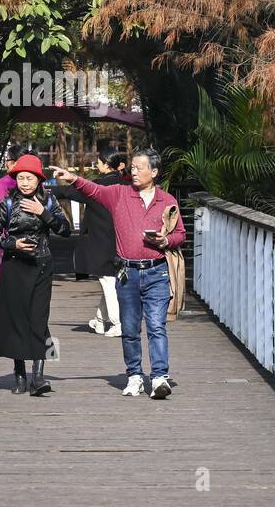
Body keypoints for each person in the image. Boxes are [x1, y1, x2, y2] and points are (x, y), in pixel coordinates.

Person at [50, 149, 185, 400]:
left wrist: (166, 240)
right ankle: (134, 375)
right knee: (131, 328)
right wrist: (72, 178)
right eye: (132, 167)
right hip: (127, 272)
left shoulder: (167, 201)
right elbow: (93, 190)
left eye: (139, 167)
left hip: (157, 271)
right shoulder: (119, 194)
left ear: (153, 172)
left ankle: (158, 377)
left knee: (157, 326)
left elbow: (180, 234)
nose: (133, 171)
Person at [0, 153, 71, 396]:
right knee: (17, 320)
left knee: (39, 319)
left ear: (38, 180)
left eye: (29, 178)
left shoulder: (49, 200)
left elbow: (65, 230)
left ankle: (39, 376)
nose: (24, 183)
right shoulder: (8, 203)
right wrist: (12, 244)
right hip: (14, 267)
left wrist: (43, 212)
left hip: (42, 266)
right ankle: (20, 373)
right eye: (20, 178)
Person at [54, 150, 127, 337]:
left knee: (108, 281)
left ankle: (117, 324)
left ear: (105, 165)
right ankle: (100, 321)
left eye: (99, 162)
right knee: (108, 280)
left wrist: (44, 189)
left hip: (100, 240)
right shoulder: (128, 185)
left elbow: (68, 192)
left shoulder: (98, 185)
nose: (97, 166)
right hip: (122, 240)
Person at [0, 144, 24, 321]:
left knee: (0, 283)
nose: (6, 165)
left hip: (5, 240)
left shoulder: (4, 182)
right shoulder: (36, 181)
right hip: (29, 240)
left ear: (15, 162)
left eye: (7, 161)